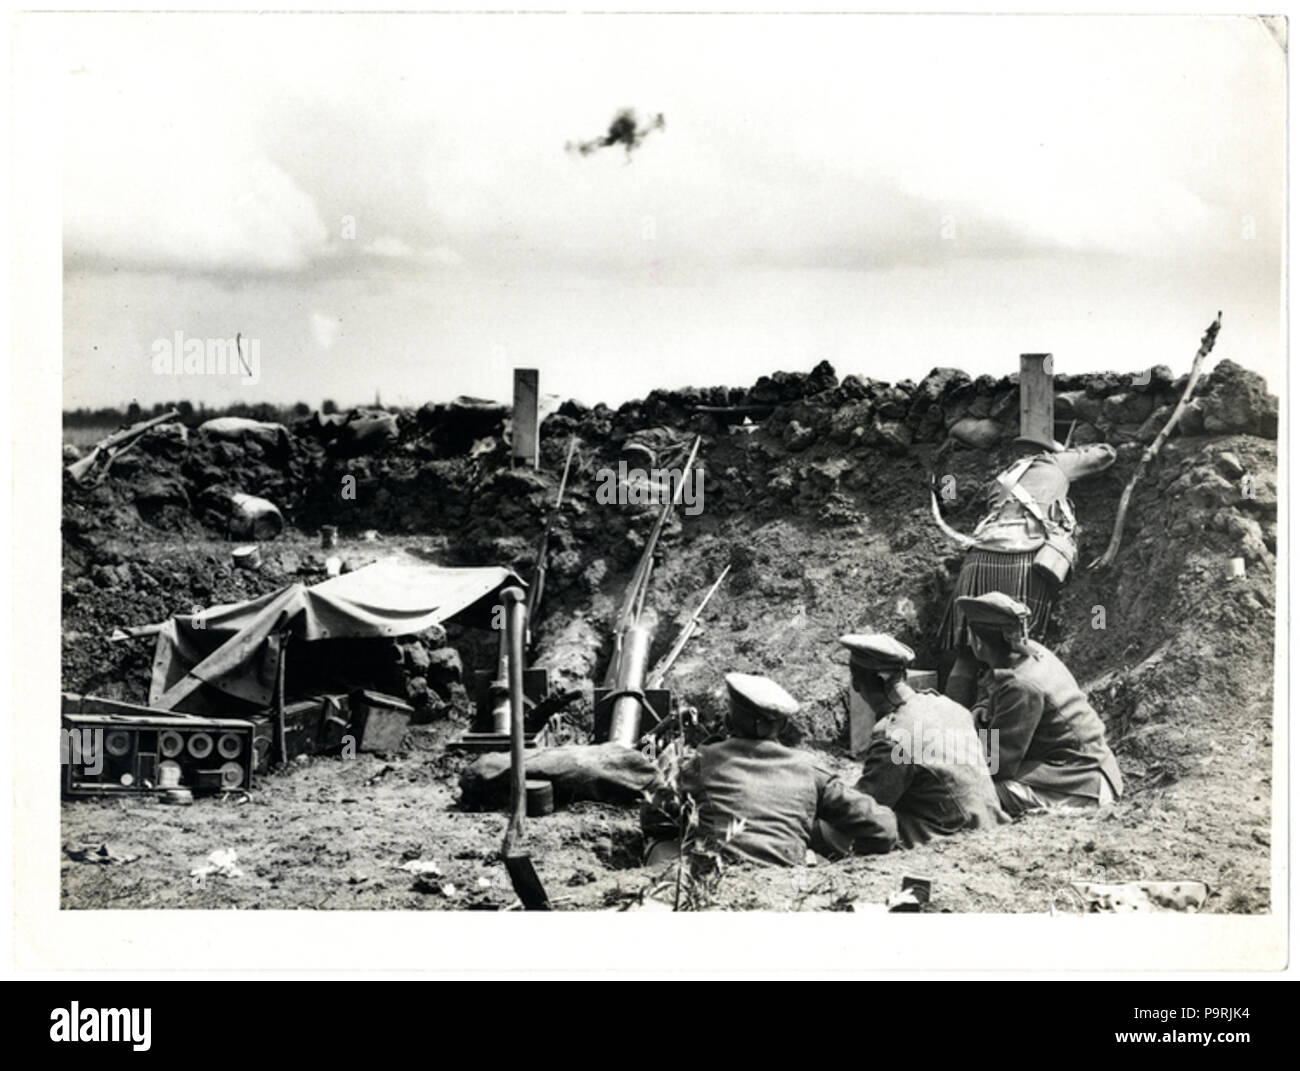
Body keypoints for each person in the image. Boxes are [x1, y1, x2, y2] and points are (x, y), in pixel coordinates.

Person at [640, 672, 898, 867]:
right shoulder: (809, 769)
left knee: (661, 848)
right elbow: (883, 828)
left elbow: (654, 818)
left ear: (729, 720)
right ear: (784, 728)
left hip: (716, 881)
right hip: (785, 886)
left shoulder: (698, 762)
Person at [937, 435, 1117, 706]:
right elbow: (1106, 453)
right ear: (1046, 452)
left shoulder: (1001, 479)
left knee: (968, 654)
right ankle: (998, 729)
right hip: (1023, 559)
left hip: (979, 559)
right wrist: (1067, 453)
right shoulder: (1053, 464)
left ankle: (953, 730)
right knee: (1015, 653)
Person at [957, 592, 1123, 816]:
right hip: (1086, 769)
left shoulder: (1021, 685)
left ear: (978, 642)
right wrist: (980, 715)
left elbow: (996, 766)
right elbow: (996, 704)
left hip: (1080, 784)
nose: (968, 641)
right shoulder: (1031, 654)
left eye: (969, 635)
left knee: (970, 795)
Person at [842, 633, 1009, 847]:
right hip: (990, 823)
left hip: (954, 839)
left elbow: (866, 808)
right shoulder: (951, 707)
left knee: (833, 831)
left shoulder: (894, 736)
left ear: (857, 683)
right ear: (904, 675)